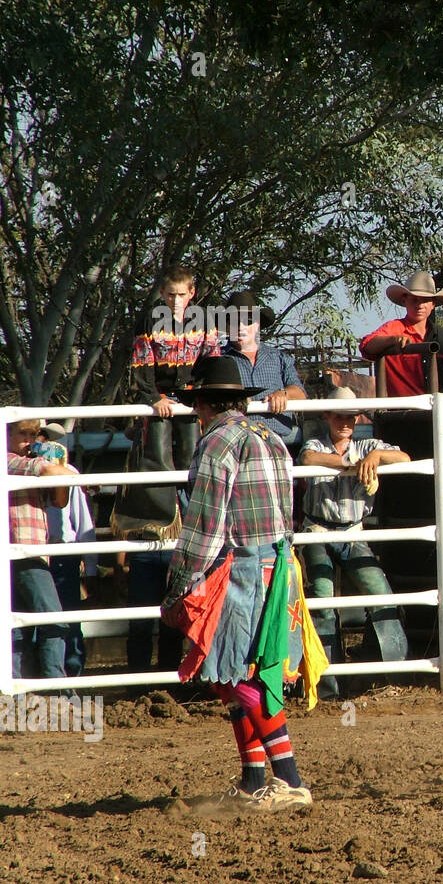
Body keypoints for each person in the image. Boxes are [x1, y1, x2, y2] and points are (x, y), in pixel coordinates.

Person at [160, 356, 314, 811]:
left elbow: (205, 525)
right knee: (233, 674)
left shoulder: (218, 444)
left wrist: (180, 584)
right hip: (277, 563)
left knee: (240, 673)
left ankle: (289, 780)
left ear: (203, 403)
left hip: (240, 567)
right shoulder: (271, 437)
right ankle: (253, 779)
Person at [113, 266, 222, 672]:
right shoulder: (149, 323)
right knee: (156, 476)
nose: (177, 301)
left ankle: (176, 671)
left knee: (193, 473)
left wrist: (196, 401)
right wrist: (155, 398)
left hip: (191, 410)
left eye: (182, 294)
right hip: (160, 413)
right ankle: (139, 673)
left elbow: (211, 365)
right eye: (171, 295)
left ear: (192, 293)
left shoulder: (205, 323)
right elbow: (141, 368)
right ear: (163, 292)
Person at [298, 387, 410, 699]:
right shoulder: (316, 443)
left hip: (353, 531)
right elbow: (307, 457)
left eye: (350, 415)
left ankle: (393, 678)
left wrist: (373, 457)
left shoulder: (369, 445)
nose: (345, 421)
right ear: (327, 416)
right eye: (339, 415)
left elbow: (403, 456)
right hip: (317, 531)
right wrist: (352, 464)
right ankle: (327, 688)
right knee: (321, 601)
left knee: (381, 595)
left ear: (357, 417)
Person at [7, 419, 71, 680]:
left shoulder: (33, 463)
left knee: (19, 626)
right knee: (52, 619)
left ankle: (16, 687)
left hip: (31, 550)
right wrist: (59, 468)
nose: (29, 440)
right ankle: (57, 687)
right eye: (23, 433)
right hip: (22, 550)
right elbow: (52, 475)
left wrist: (59, 465)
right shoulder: (9, 460)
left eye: (33, 435)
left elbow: (59, 500)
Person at [35, 422, 96, 677]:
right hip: (35, 551)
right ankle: (41, 674)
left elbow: (82, 522)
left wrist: (90, 568)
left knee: (68, 616)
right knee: (35, 619)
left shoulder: (68, 472)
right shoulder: (17, 470)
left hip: (60, 553)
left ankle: (71, 674)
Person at [221, 291, 307, 449]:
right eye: (233, 321)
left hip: (278, 437)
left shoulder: (279, 357)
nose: (241, 327)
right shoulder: (217, 359)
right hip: (236, 438)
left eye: (247, 321)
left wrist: (283, 394)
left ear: (257, 324)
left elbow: (300, 393)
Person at [360, 271, 443, 397]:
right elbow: (367, 345)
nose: (419, 305)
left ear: (433, 304)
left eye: (425, 300)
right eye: (414, 300)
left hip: (437, 410)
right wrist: (393, 340)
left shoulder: (442, 335)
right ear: (404, 301)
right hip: (403, 411)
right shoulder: (394, 328)